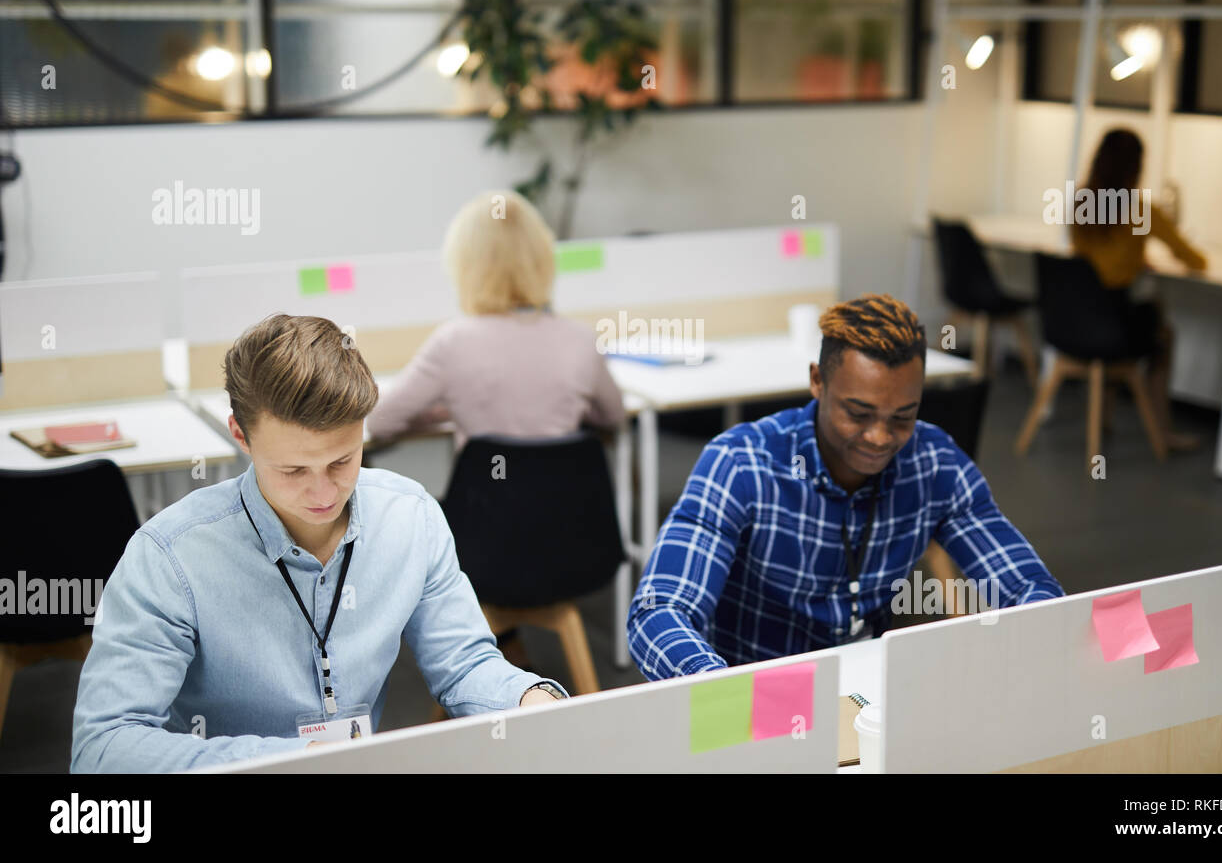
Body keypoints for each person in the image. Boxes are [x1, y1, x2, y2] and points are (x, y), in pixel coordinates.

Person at [71, 314, 567, 772]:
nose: (324, 493)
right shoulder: (169, 556)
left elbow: (464, 664)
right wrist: (297, 759)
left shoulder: (409, 517)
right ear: (241, 436)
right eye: (293, 470)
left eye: (342, 461)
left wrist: (530, 700)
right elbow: (105, 747)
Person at [628, 294, 1064, 680]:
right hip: (751, 695)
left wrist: (1037, 628)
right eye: (858, 413)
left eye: (902, 417)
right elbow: (658, 612)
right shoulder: (742, 463)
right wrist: (718, 688)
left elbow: (1028, 586)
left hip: (868, 694)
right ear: (817, 380)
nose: (880, 437)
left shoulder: (934, 462)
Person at [366, 189, 625, 448]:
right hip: (567, 488)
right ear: (542, 258)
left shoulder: (453, 342)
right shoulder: (579, 338)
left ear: (466, 266)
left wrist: (444, 410)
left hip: (484, 486)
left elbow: (381, 421)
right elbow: (613, 416)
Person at [1071, 128, 1208, 451]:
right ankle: (1163, 431)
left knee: (1121, 319)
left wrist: (1135, 258)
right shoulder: (1141, 210)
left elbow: (1090, 261)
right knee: (1162, 335)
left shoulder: (1080, 202)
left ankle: (1103, 418)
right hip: (1115, 325)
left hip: (1079, 321)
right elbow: (1194, 259)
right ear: (1137, 166)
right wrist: (1136, 259)